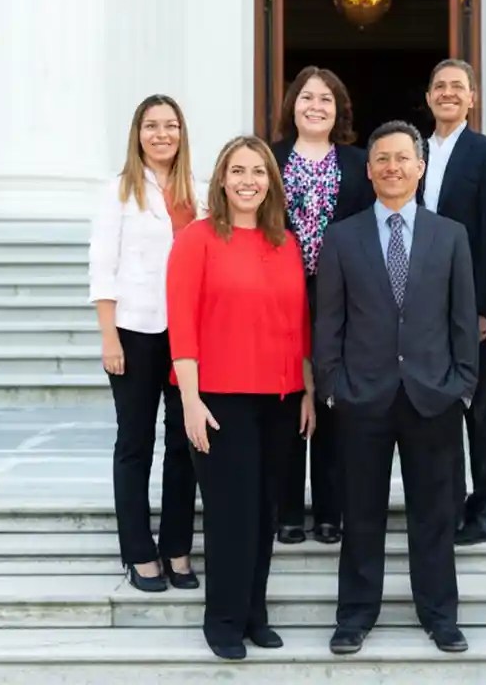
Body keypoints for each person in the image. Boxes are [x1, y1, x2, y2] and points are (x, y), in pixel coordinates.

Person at [315, 121, 478, 656]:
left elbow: (462, 321)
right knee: (360, 514)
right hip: (363, 398)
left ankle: (440, 615)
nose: (392, 167)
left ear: (420, 166)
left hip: (433, 396)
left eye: (403, 158)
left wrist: (463, 386)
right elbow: (329, 322)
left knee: (434, 515)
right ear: (369, 169)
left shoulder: (450, 235)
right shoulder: (342, 237)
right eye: (382, 159)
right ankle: (355, 616)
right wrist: (332, 387)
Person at [167, 135, 316, 661]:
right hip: (219, 398)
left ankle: (255, 612)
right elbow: (180, 323)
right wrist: (189, 399)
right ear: (222, 179)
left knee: (265, 513)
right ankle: (223, 620)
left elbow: (299, 323)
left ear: (271, 181)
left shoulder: (285, 243)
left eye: (258, 170)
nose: (248, 180)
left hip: (279, 398)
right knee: (231, 514)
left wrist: (307, 391)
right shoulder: (197, 238)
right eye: (238, 170)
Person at [89, 94, 201, 594]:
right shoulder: (118, 191)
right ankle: (139, 553)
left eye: (170, 126)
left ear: (182, 133)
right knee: (135, 444)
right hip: (134, 332)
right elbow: (102, 267)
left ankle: (176, 548)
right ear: (137, 134)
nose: (162, 134)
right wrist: (109, 335)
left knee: (184, 444)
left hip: (186, 336)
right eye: (152, 126)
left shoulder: (197, 193)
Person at [270, 65, 375, 546]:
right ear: (293, 104)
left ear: (339, 110)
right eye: (307, 97)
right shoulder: (268, 159)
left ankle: (331, 511)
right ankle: (287, 509)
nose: (315, 106)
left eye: (326, 99)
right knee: (287, 398)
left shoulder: (358, 164)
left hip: (340, 296)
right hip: (279, 294)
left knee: (333, 400)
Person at [418, 58, 486, 546]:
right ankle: (449, 506)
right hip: (422, 305)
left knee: (482, 409)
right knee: (438, 409)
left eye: (458, 87)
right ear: (429, 96)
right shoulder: (413, 153)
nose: (449, 93)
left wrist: (483, 310)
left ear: (472, 98)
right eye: (440, 86)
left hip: (471, 304)